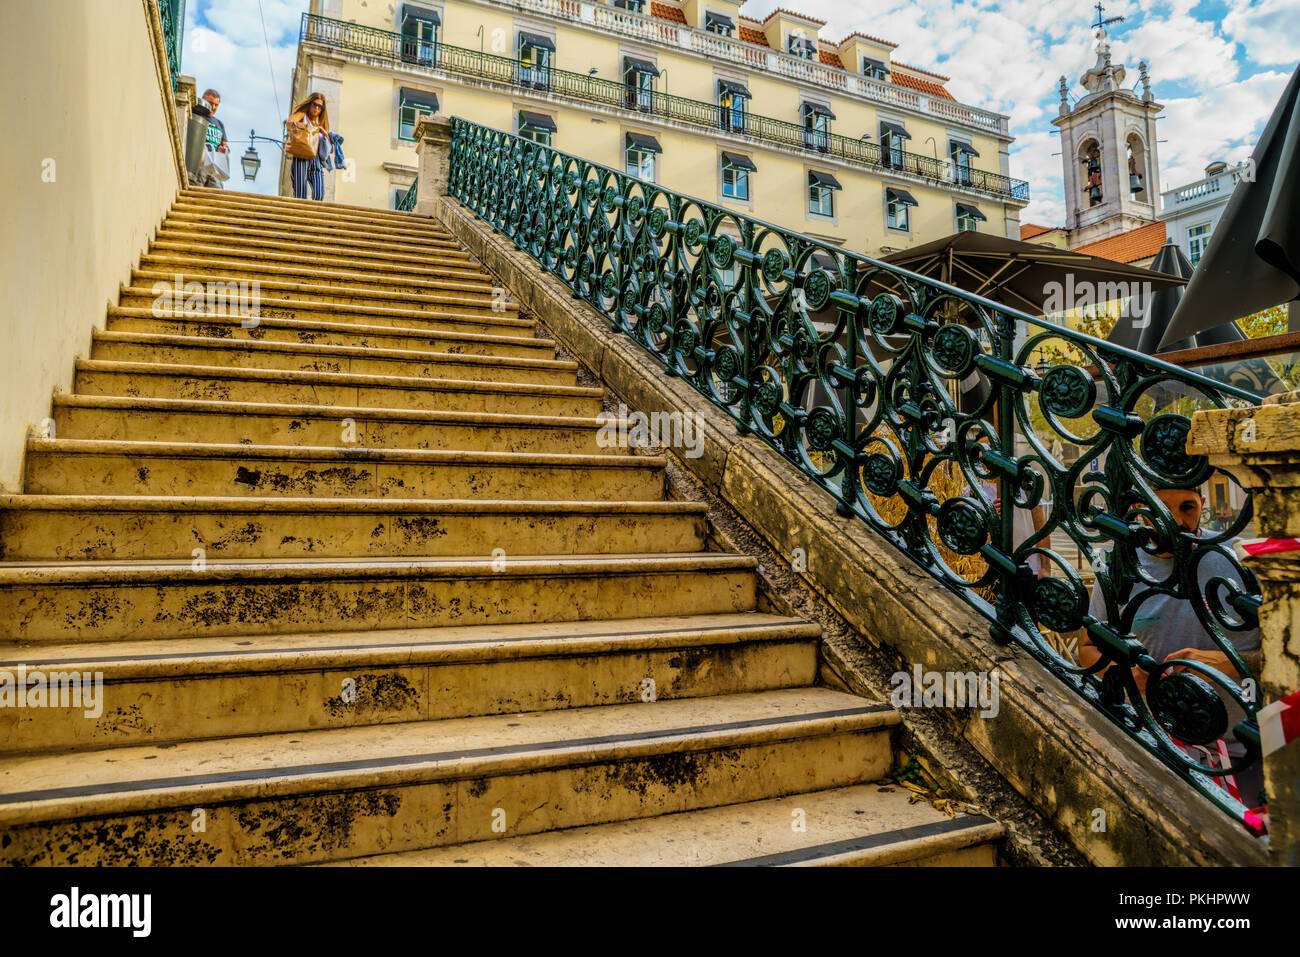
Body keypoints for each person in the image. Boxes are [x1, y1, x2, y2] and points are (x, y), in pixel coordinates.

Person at [1080, 485, 1263, 801]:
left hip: (1246, 754)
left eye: (1188, 508)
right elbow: (1088, 648)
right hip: (1155, 748)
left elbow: (1287, 657)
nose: (1176, 520)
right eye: (1162, 508)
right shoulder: (1117, 568)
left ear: (1202, 505)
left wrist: (1222, 663)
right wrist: (1127, 673)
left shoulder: (1243, 565)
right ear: (1141, 507)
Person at [285, 93, 330, 201]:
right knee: (301, 194)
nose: (316, 108)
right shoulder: (302, 115)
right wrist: (311, 129)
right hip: (301, 155)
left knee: (319, 195)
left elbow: (329, 147)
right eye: (314, 105)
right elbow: (290, 123)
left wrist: (325, 134)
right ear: (309, 104)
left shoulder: (321, 122)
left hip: (316, 159)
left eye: (320, 107)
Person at [195, 88, 228, 189]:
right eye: (210, 103)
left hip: (215, 165)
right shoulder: (197, 115)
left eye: (216, 105)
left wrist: (224, 149)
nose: (213, 107)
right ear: (204, 100)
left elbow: (224, 145)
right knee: (197, 188)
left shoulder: (219, 124)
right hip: (199, 162)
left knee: (217, 192)